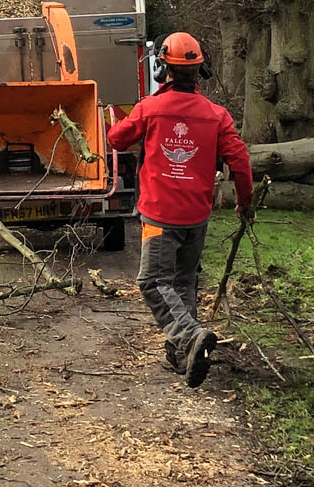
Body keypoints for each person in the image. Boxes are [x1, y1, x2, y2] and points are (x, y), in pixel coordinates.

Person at [107, 32, 253, 389]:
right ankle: (182, 355)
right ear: (199, 71)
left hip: (160, 214)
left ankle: (189, 337)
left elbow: (116, 139)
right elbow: (241, 161)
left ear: (163, 69)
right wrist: (244, 203)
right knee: (183, 282)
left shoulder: (150, 107)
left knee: (153, 282)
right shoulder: (217, 116)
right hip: (197, 216)